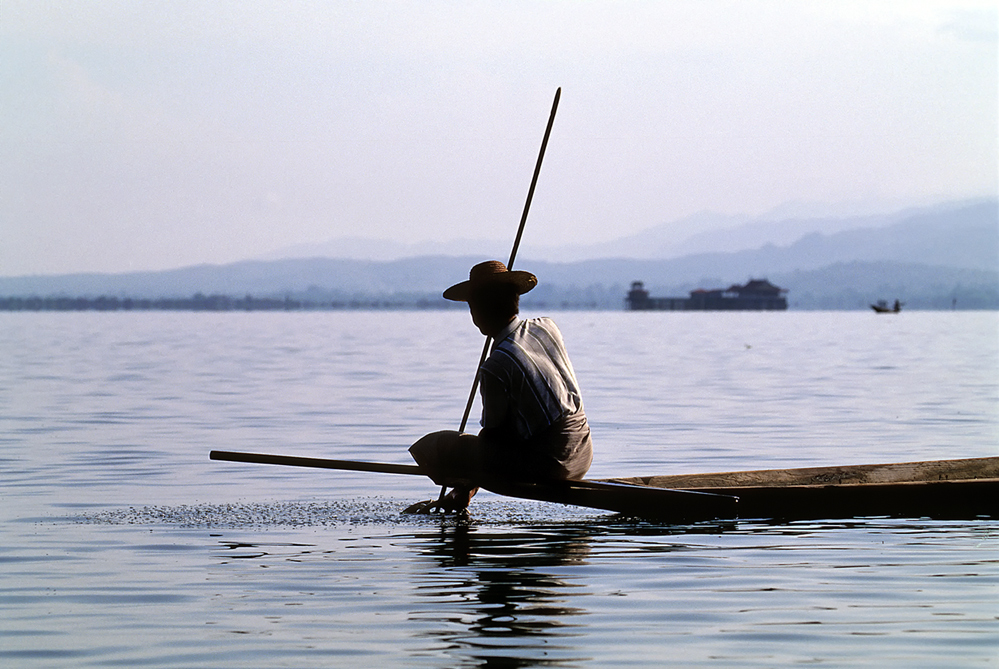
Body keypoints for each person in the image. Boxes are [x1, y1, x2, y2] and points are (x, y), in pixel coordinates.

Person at [408, 260, 593, 513]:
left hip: (551, 465)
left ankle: (458, 497)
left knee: (441, 447)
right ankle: (461, 493)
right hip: (582, 454)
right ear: (514, 300)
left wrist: (465, 480)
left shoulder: (496, 365)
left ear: (477, 311)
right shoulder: (548, 327)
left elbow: (495, 438)